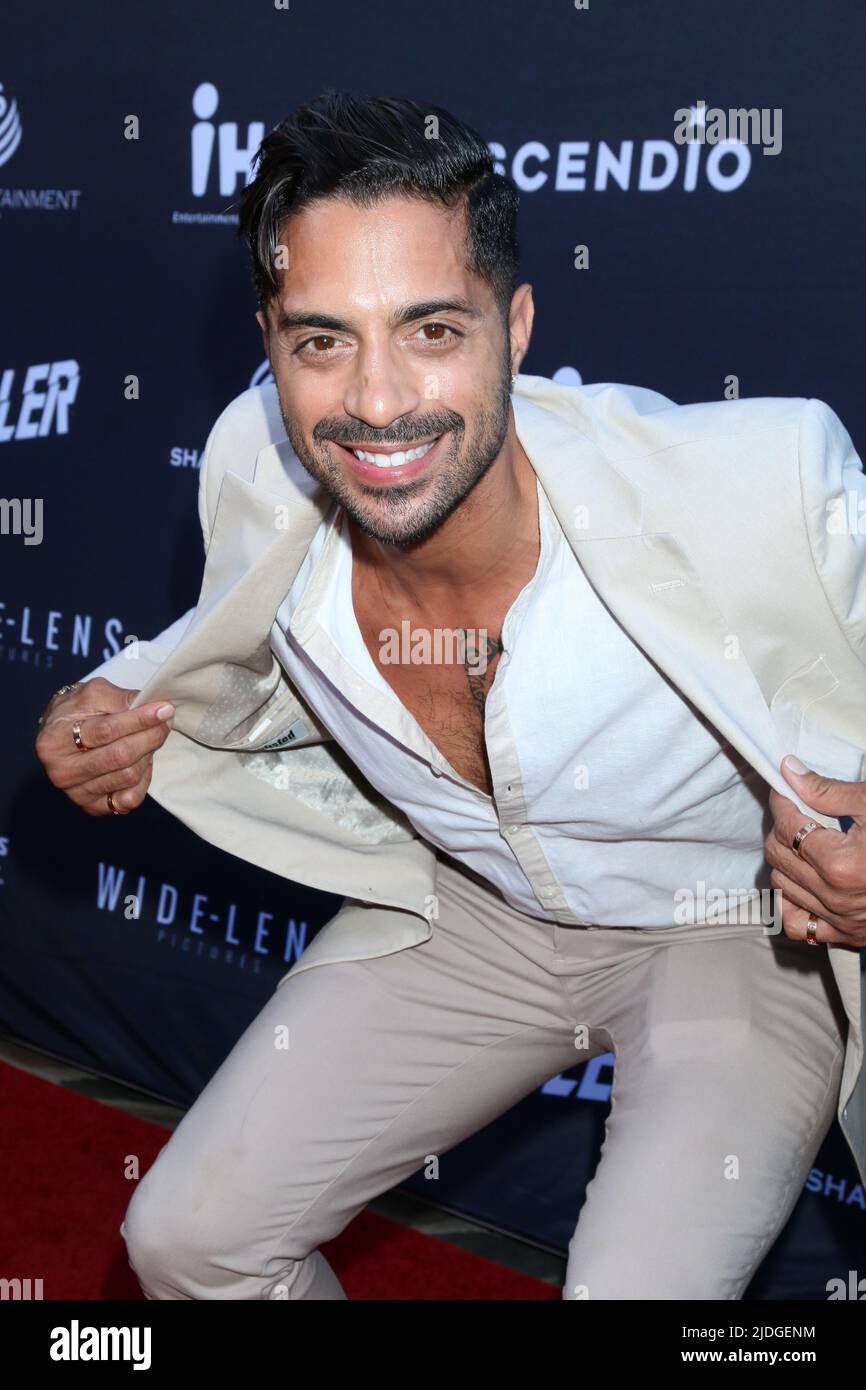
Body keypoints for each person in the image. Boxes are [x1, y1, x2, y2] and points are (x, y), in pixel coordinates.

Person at [34, 90, 866, 1299]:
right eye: (321, 340)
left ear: (514, 326)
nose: (376, 403)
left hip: (731, 929)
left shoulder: (755, 481)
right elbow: (221, 635)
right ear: (270, 343)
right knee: (189, 1240)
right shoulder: (257, 461)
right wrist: (102, 702)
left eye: (430, 330)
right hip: (474, 914)